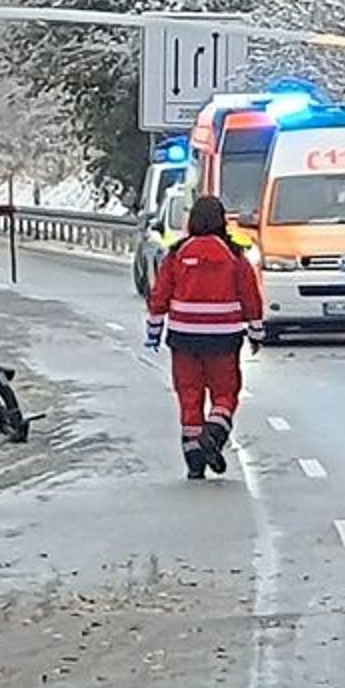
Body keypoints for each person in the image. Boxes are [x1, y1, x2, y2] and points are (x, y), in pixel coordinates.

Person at [145, 193, 264, 480]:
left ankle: (194, 459)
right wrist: (256, 331)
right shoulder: (234, 255)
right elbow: (251, 296)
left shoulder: (177, 253)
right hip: (223, 338)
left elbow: (160, 295)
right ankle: (213, 433)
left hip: (184, 338)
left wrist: (154, 330)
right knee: (225, 393)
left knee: (189, 395)